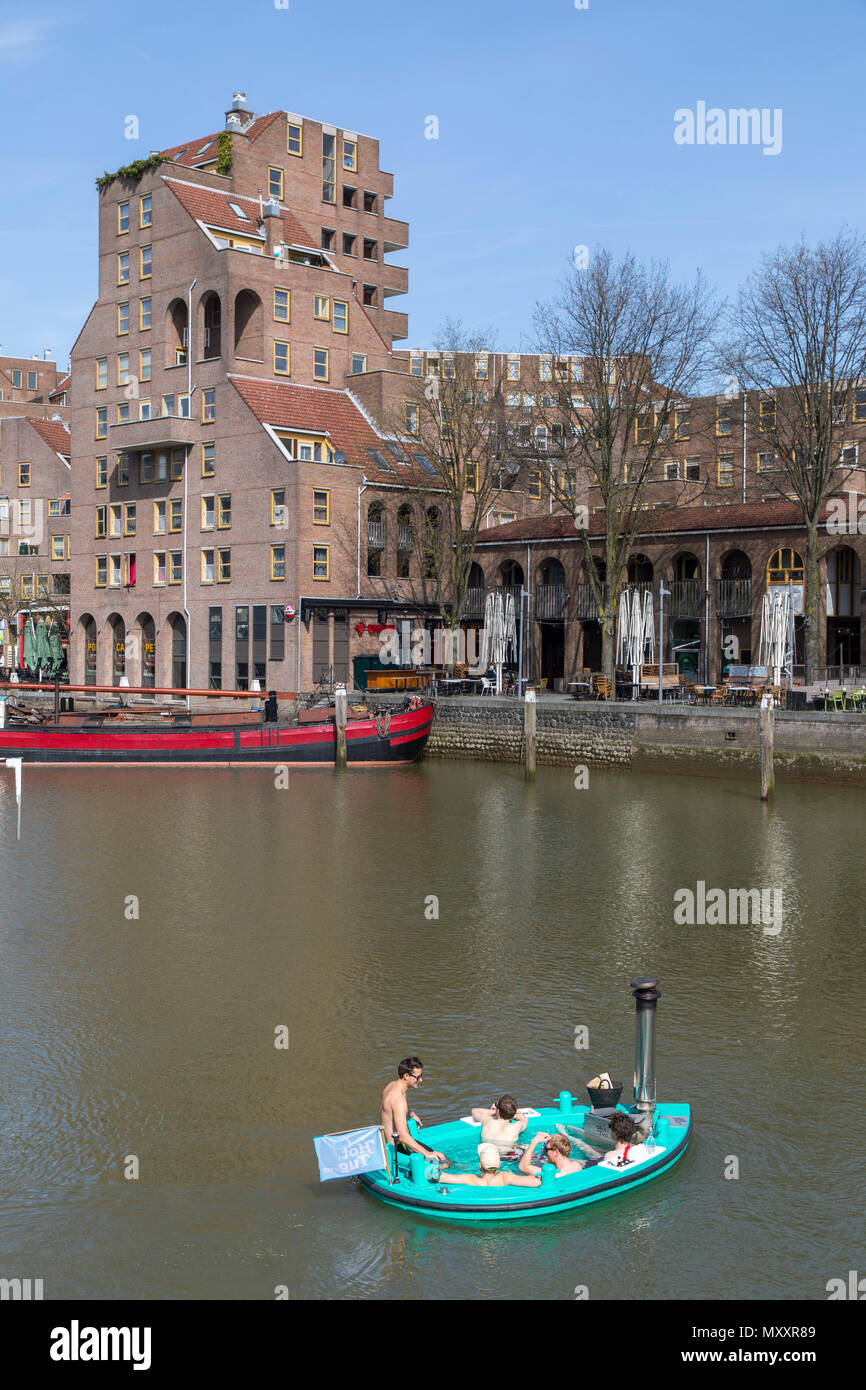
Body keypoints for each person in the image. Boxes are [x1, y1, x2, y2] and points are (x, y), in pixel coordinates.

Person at [380, 1056, 448, 1163]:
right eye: (418, 1077)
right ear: (406, 1076)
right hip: (398, 1149)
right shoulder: (398, 1099)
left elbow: (391, 1108)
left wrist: (410, 1113)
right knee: (442, 1161)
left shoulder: (392, 1086)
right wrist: (428, 1154)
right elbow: (402, 1136)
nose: (420, 1080)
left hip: (390, 1144)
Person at [439, 1142, 542, 1188]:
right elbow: (534, 1181)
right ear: (498, 1165)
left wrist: (443, 1166)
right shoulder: (505, 1177)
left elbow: (438, 1176)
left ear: (480, 1165)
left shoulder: (470, 1179)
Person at [518, 1131, 595, 1178]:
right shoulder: (576, 1165)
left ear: (556, 1152)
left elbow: (523, 1167)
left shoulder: (553, 1174)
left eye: (546, 1150)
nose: (545, 1153)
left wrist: (534, 1142)